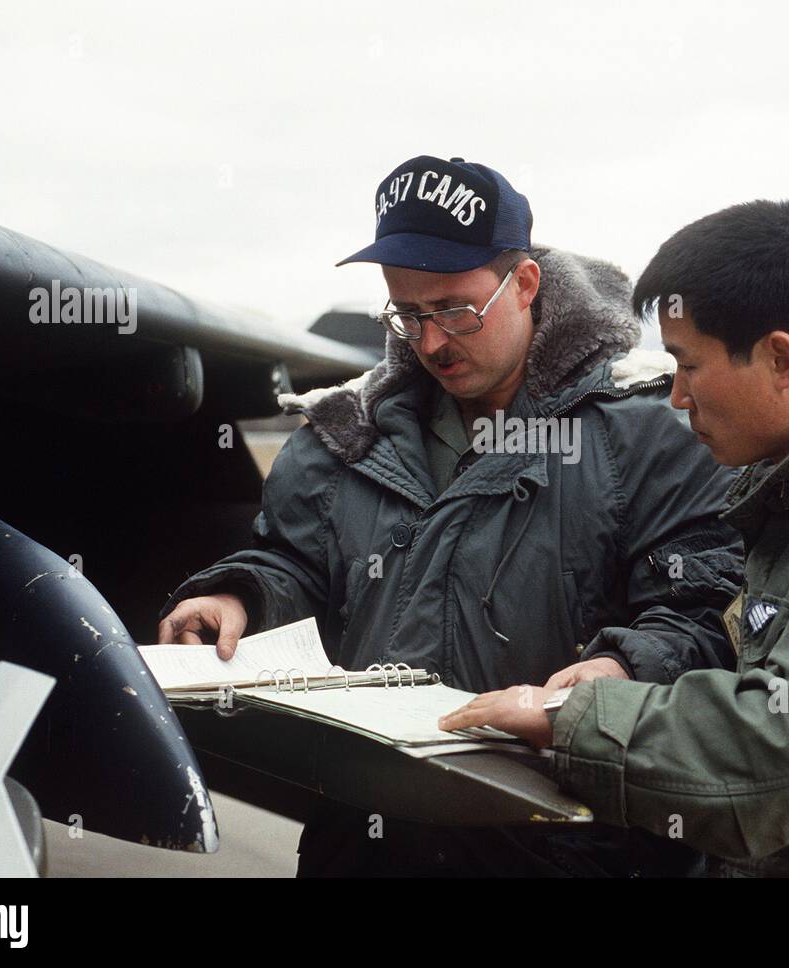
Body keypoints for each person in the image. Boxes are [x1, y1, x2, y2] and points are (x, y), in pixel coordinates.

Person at [157, 155, 743, 876]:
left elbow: (702, 610)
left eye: (455, 310)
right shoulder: (346, 431)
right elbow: (293, 562)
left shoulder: (649, 434)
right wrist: (238, 595)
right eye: (407, 312)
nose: (430, 341)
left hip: (570, 851)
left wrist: (620, 669)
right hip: (363, 845)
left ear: (525, 284)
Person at [441, 199, 789, 877]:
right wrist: (626, 664)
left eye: (689, 366)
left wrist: (570, 718)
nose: (678, 398)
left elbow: (783, 751)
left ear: (779, 359)